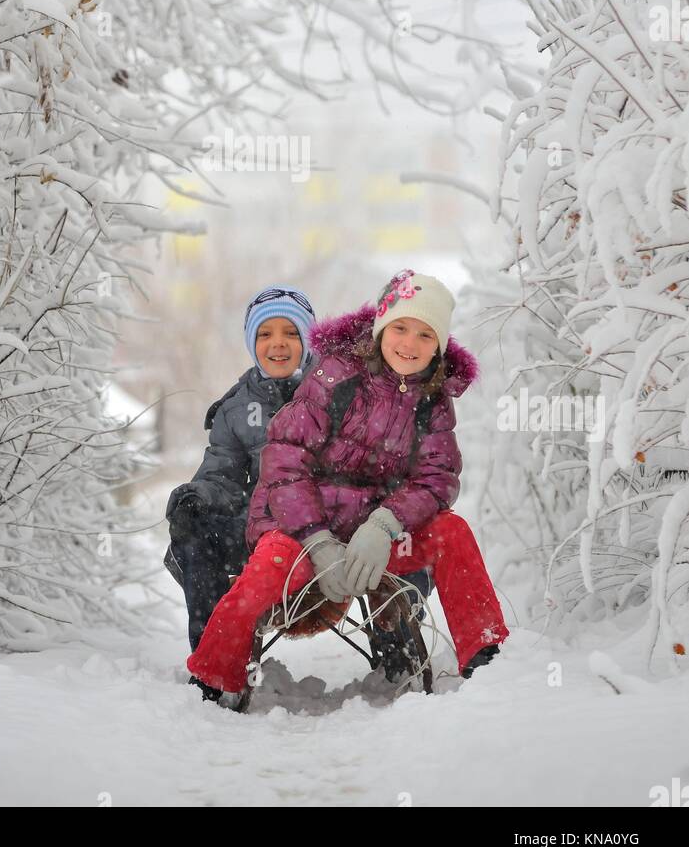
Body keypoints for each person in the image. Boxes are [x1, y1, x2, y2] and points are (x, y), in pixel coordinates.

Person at [186, 269, 509, 706]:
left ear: (439, 345)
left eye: (425, 335)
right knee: (263, 572)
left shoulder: (434, 400)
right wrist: (319, 542)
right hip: (299, 533)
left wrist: (385, 524)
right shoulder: (338, 375)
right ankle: (211, 678)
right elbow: (284, 459)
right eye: (400, 327)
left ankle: (487, 658)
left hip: (374, 543)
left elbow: (437, 477)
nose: (409, 344)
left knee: (453, 532)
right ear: (380, 328)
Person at [164, 286, 318, 652]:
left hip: (331, 527)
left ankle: (398, 646)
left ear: (309, 340)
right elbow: (222, 475)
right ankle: (216, 655)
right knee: (195, 531)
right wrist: (197, 497)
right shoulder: (236, 407)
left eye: (291, 333)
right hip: (261, 530)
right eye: (265, 334)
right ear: (252, 343)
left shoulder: (336, 390)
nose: (277, 344)